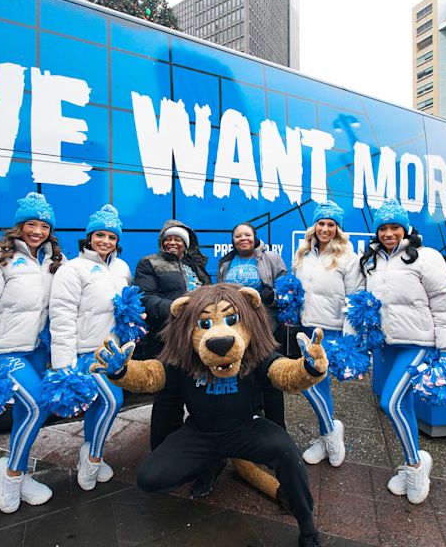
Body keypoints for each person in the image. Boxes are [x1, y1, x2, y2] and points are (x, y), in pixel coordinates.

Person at [89, 284, 337, 547]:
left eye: (231, 320)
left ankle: (309, 534)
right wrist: (123, 372)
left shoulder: (255, 354)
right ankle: (213, 463)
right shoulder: (182, 361)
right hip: (201, 434)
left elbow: (283, 372)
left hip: (246, 429)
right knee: (150, 477)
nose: (219, 335)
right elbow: (151, 374)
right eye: (204, 324)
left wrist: (308, 368)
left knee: (287, 453)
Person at [0, 193, 63, 512]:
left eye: (44, 226)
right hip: (3, 352)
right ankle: (12, 475)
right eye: (31, 224)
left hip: (36, 350)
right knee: (39, 404)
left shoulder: (53, 262)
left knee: (26, 411)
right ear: (19, 226)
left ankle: (17, 469)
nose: (38, 232)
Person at [360, 198, 446, 504]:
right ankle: (414, 457)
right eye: (383, 228)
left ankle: (415, 466)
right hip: (387, 344)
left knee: (390, 403)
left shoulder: (426, 257)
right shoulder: (371, 260)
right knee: (402, 404)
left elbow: (444, 303)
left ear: (405, 229)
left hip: (419, 343)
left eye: (395, 227)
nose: (389, 233)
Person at [48, 204, 132, 490]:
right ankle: (93, 457)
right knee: (113, 402)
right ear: (89, 237)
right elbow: (62, 316)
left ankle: (89, 450)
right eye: (100, 235)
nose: (106, 241)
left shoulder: (121, 268)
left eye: (112, 237)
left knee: (100, 403)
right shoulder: (72, 269)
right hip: (85, 351)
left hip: (112, 351)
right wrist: (64, 364)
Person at [288, 200, 360, 467]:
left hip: (330, 330)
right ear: (314, 226)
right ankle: (328, 433)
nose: (325, 229)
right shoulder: (303, 255)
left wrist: (348, 337)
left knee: (310, 384)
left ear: (338, 228)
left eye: (331, 224)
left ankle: (329, 433)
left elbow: (355, 298)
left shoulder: (348, 258)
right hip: (307, 327)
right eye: (321, 223)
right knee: (319, 386)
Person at [217, 222, 289, 425]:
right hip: (235, 327)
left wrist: (272, 296)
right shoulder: (225, 263)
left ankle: (276, 425)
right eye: (238, 236)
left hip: (264, 326)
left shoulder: (271, 258)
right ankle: (248, 417)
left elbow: (288, 291)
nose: (243, 239)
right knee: (243, 373)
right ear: (233, 241)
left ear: (255, 238)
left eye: (247, 235)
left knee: (268, 374)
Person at [134, 220, 211, 362]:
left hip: (197, 331)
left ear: (186, 244)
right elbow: (146, 298)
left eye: (178, 239)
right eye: (168, 239)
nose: (172, 242)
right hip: (166, 333)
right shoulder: (149, 263)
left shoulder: (196, 266)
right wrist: (179, 309)